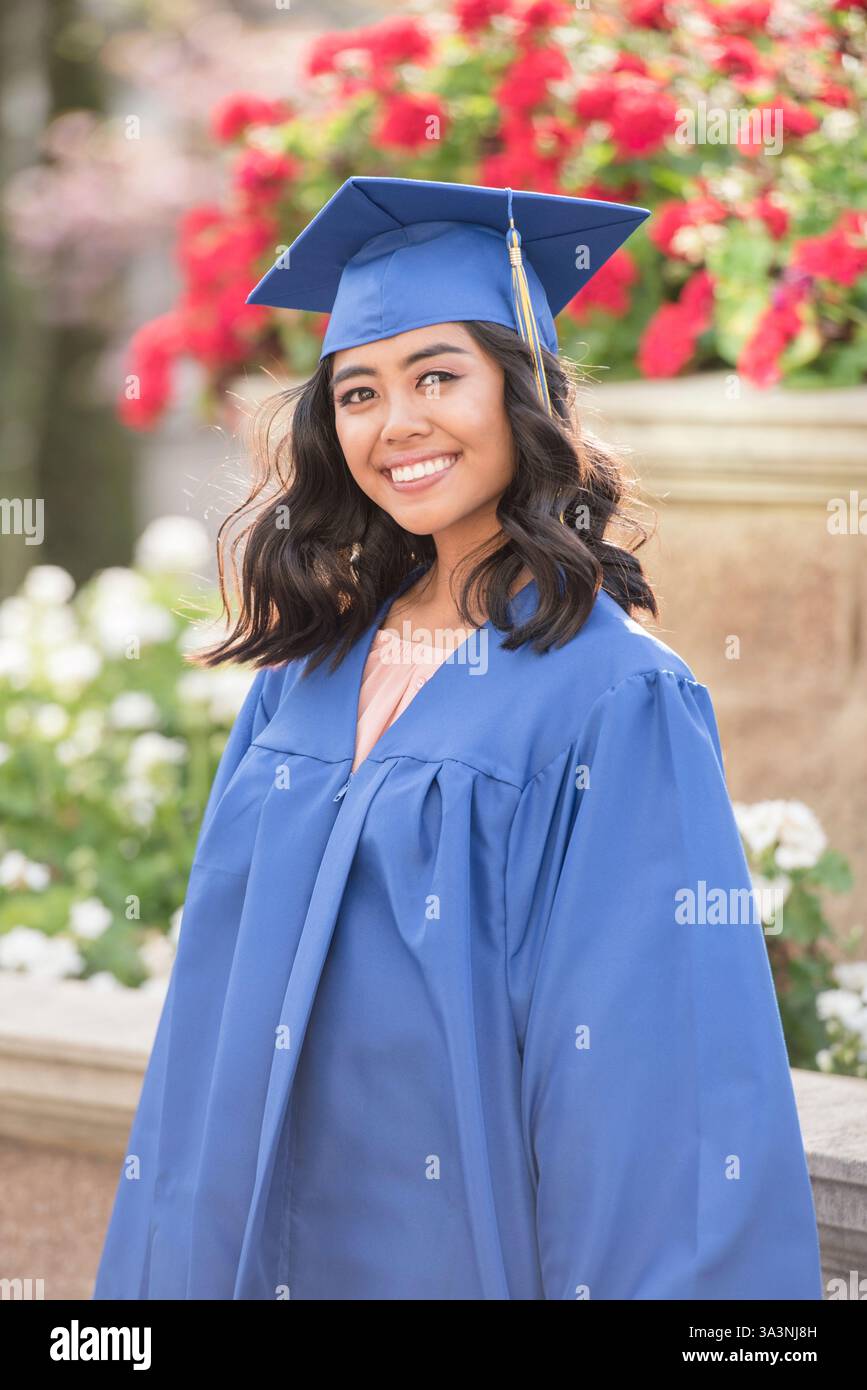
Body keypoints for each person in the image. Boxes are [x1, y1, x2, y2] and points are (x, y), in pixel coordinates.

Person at [93, 176, 823, 1301]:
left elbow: (651, 1073)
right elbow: (205, 1028)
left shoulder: (615, 695)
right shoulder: (303, 679)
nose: (398, 425)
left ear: (520, 394)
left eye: (439, 376)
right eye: (359, 392)